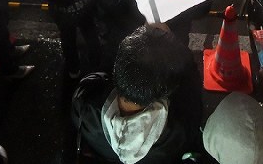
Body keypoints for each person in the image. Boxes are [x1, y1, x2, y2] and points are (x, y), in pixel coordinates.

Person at [70, 24, 201, 164]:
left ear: (117, 69)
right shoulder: (180, 128)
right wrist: (173, 46)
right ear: (166, 91)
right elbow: (191, 84)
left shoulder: (86, 105)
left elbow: (94, 78)